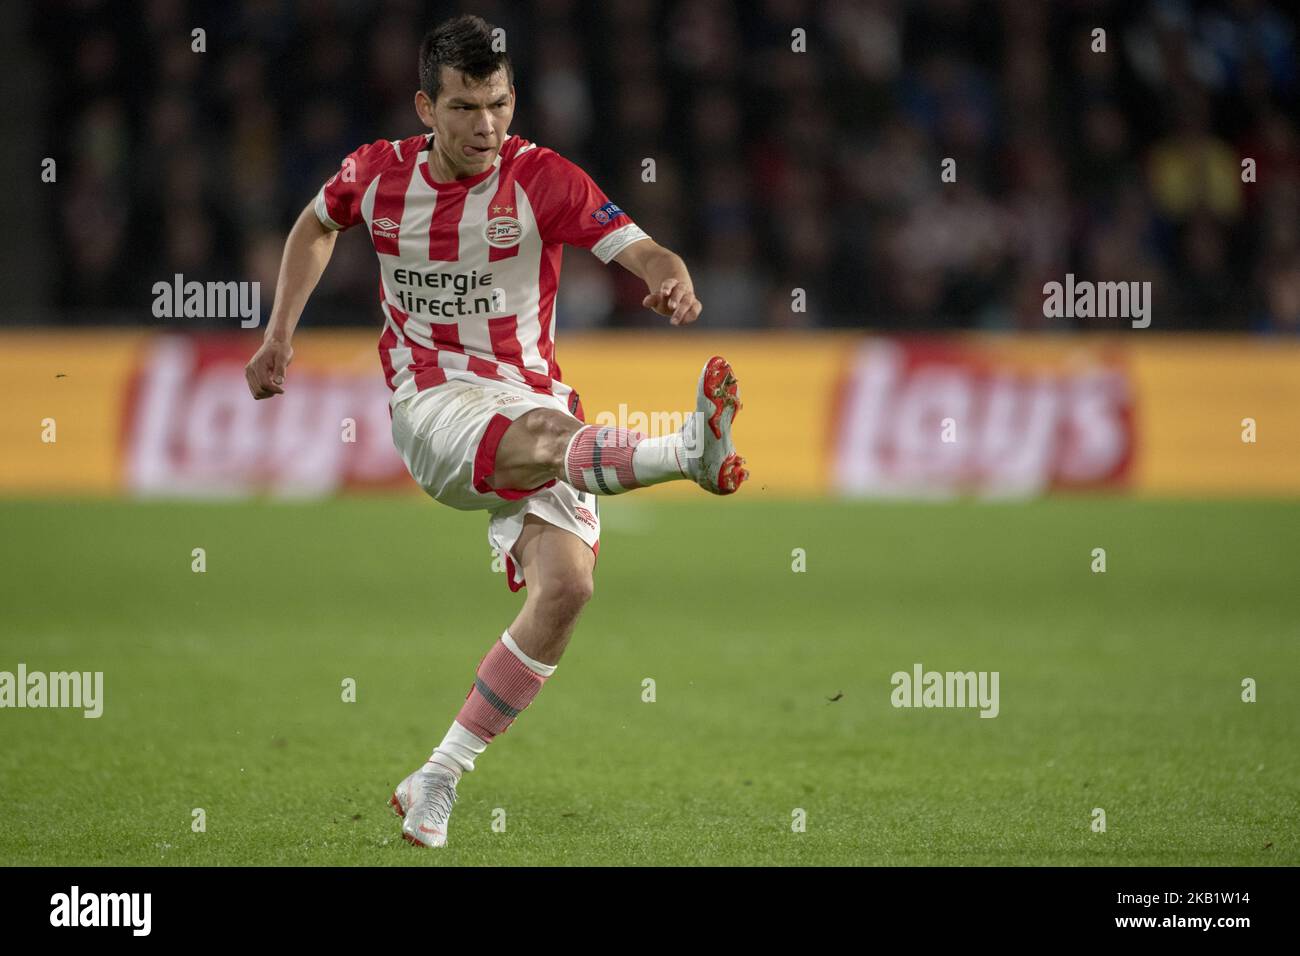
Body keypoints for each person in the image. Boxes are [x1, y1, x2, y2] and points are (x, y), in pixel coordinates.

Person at [244, 13, 746, 848]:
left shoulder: (542, 179)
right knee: (553, 435)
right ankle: (687, 452)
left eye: (501, 106)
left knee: (567, 591)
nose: (487, 127)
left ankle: (436, 777)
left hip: (530, 391)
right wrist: (278, 334)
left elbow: (640, 248)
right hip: (434, 406)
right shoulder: (376, 175)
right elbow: (315, 225)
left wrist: (672, 277)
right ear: (424, 108)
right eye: (466, 108)